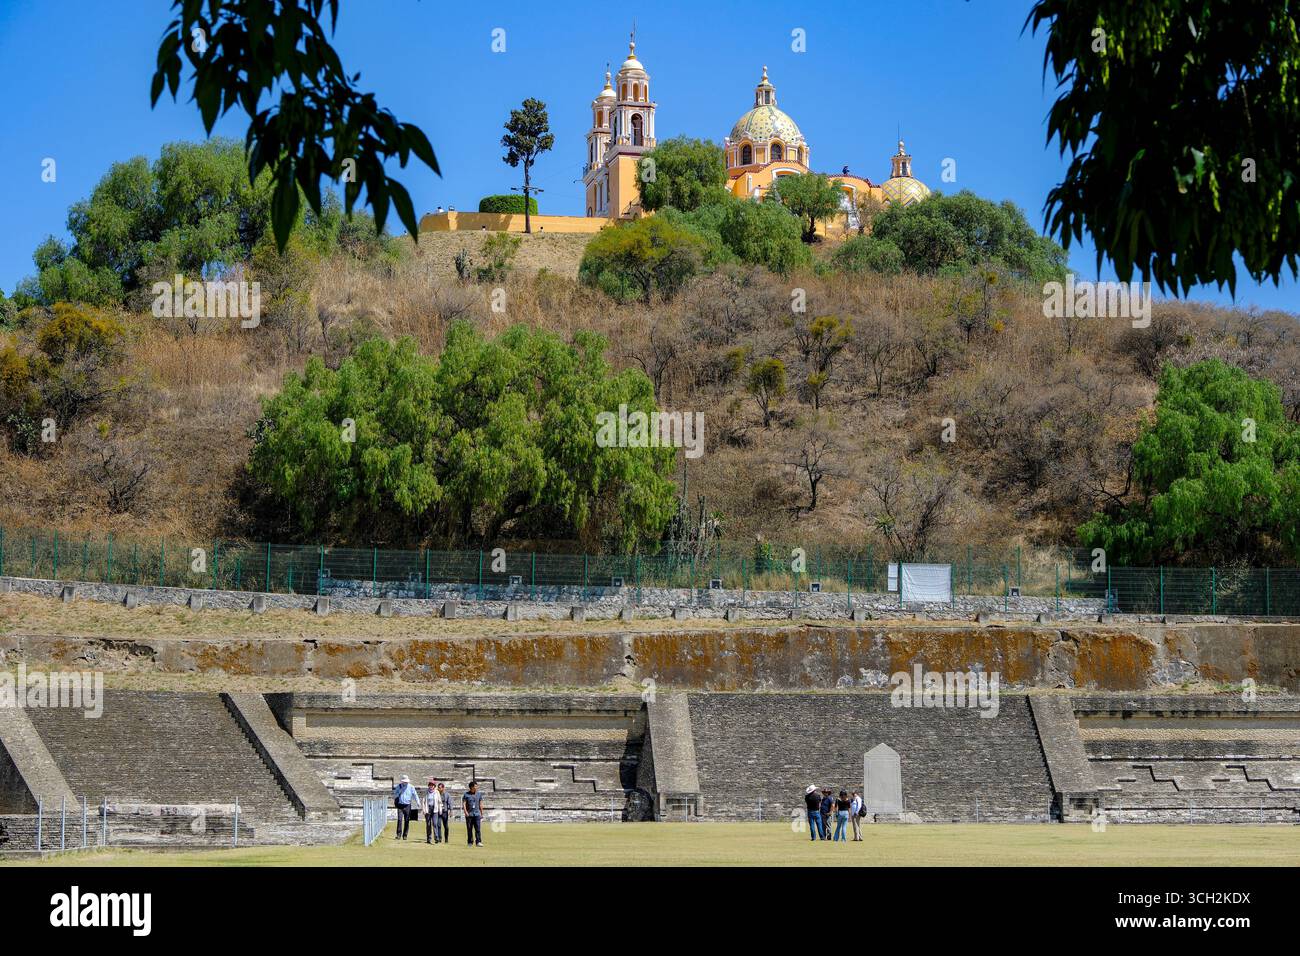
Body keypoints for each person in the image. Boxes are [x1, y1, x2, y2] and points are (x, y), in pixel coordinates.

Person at [392, 774, 417, 841]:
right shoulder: (398, 786)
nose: (405, 783)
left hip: (407, 805)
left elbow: (415, 794)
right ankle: (398, 835)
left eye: (406, 782)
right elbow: (395, 795)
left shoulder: (411, 787)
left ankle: (405, 835)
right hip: (400, 805)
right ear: (402, 781)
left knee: (407, 820)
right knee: (399, 820)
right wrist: (399, 792)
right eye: (404, 782)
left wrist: (418, 802)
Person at [463, 780, 485, 846]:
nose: (476, 787)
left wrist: (482, 813)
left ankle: (478, 842)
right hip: (469, 814)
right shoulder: (466, 794)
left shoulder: (479, 794)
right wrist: (465, 812)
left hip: (477, 814)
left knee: (478, 829)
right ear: (471, 787)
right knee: (469, 829)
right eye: (475, 786)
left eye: (476, 786)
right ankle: (470, 842)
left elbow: (481, 804)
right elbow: (464, 804)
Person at [425, 778, 443, 844]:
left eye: (432, 785)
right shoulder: (426, 792)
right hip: (428, 809)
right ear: (428, 785)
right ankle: (429, 839)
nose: (431, 786)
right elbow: (424, 801)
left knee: (435, 824)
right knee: (428, 824)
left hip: (435, 809)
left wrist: (440, 809)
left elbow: (439, 801)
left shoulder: (437, 792)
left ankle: (436, 838)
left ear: (434, 786)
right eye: (430, 785)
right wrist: (424, 810)